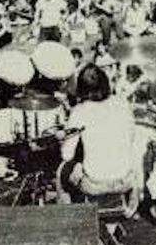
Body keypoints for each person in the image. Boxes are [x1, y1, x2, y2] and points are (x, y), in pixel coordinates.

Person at [59, 65, 141, 217]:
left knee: (62, 171)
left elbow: (66, 155)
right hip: (125, 179)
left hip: (95, 184)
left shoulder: (78, 112)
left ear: (81, 89)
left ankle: (70, 217)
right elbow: (131, 139)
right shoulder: (122, 103)